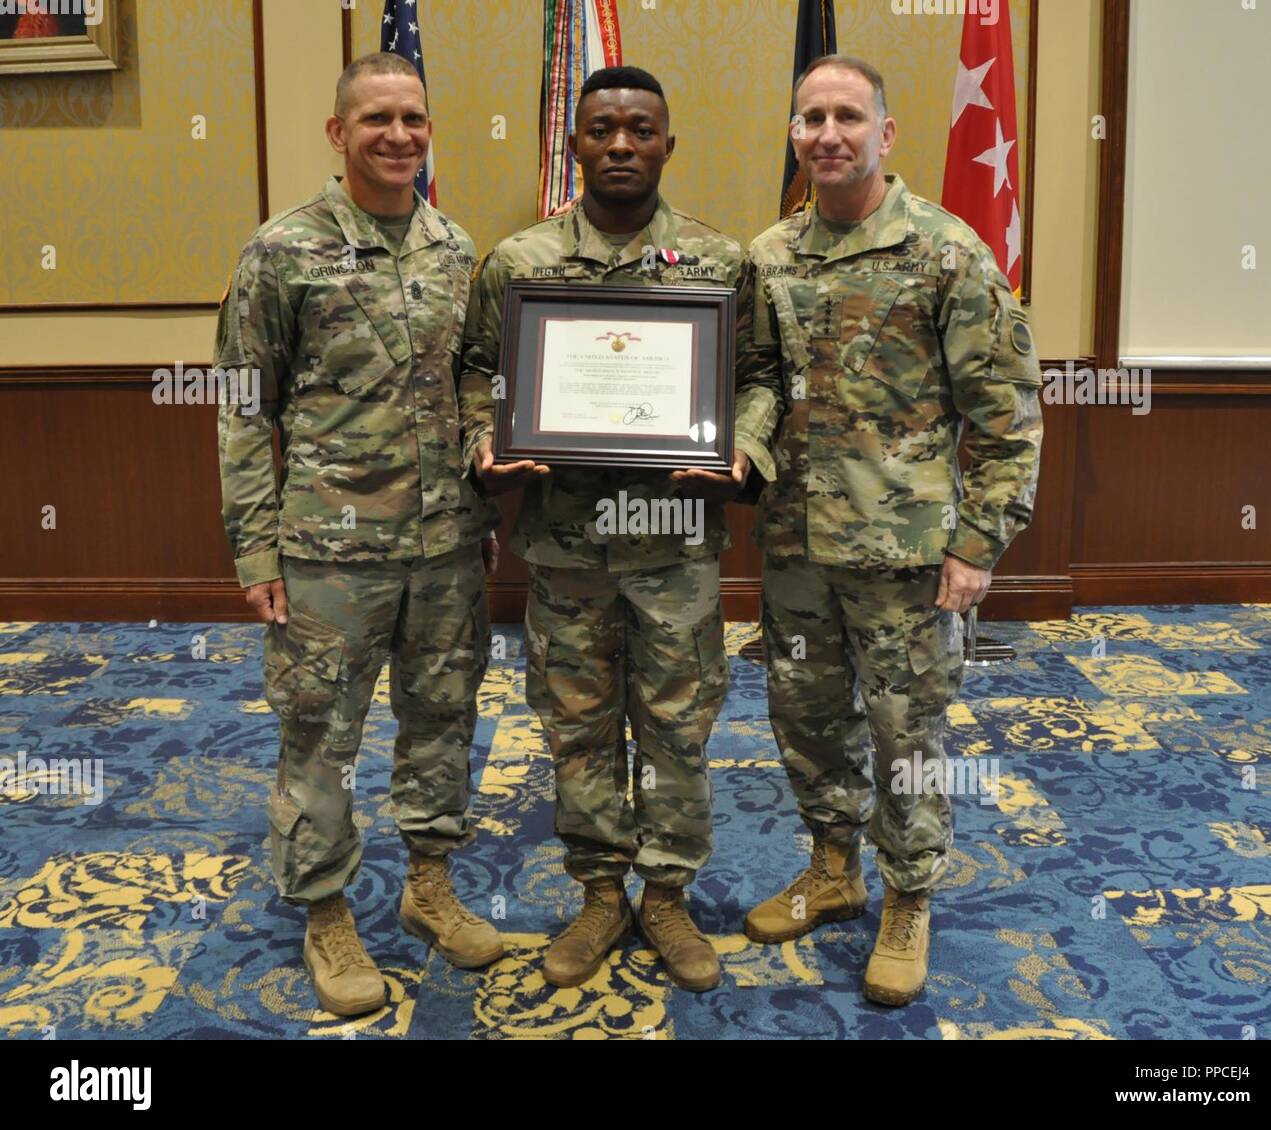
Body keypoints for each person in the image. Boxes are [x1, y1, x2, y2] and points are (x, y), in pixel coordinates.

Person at [460, 66, 781, 993]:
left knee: (679, 728)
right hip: (567, 547)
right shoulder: (521, 263)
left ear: (667, 145)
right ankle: (600, 894)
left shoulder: (720, 263)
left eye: (640, 130)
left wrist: (745, 448)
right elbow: (476, 370)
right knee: (577, 729)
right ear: (575, 147)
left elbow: (761, 373)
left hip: (677, 542)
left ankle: (669, 895)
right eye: (601, 130)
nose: (620, 147)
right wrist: (488, 438)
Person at [743, 55, 1044, 1006]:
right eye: (809, 118)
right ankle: (835, 868)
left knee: (905, 731)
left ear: (886, 132)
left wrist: (976, 547)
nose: (827, 134)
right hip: (794, 549)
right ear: (793, 134)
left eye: (846, 116)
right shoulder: (767, 257)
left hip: (907, 560)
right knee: (805, 718)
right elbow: (747, 383)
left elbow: (1007, 413)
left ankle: (909, 895)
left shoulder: (946, 253)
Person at [216, 52, 504, 1018]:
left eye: (414, 118)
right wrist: (255, 549)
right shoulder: (282, 250)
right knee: (321, 736)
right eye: (376, 119)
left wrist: (490, 491)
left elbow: (478, 389)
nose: (398, 135)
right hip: (331, 552)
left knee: (441, 723)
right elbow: (243, 408)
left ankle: (429, 887)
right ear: (338, 133)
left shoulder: (456, 246)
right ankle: (326, 909)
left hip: (447, 546)